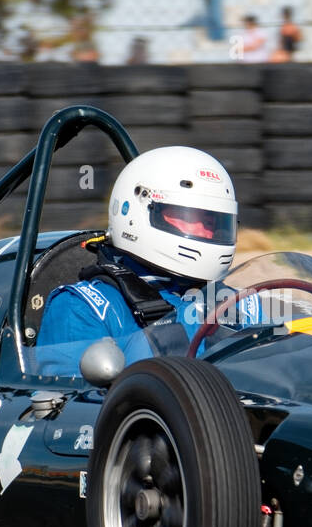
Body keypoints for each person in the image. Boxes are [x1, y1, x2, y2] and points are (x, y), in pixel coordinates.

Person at [34, 147, 257, 375]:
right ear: (133, 212)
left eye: (212, 222)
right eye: (187, 217)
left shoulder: (243, 305)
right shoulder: (85, 308)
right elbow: (68, 406)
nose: (204, 231)